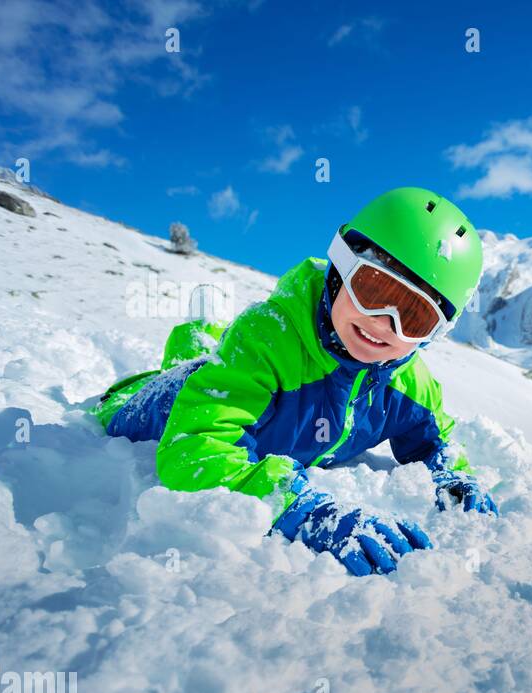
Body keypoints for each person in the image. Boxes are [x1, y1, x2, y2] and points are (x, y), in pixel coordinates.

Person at [91, 187, 497, 577]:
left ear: (433, 333)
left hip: (236, 371)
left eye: (414, 317)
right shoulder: (266, 338)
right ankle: (199, 333)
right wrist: (297, 507)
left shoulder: (408, 382)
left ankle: (209, 338)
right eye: (373, 290)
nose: (383, 324)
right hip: (168, 402)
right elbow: (193, 449)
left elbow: (435, 440)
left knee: (213, 357)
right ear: (340, 269)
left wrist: (451, 474)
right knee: (180, 373)